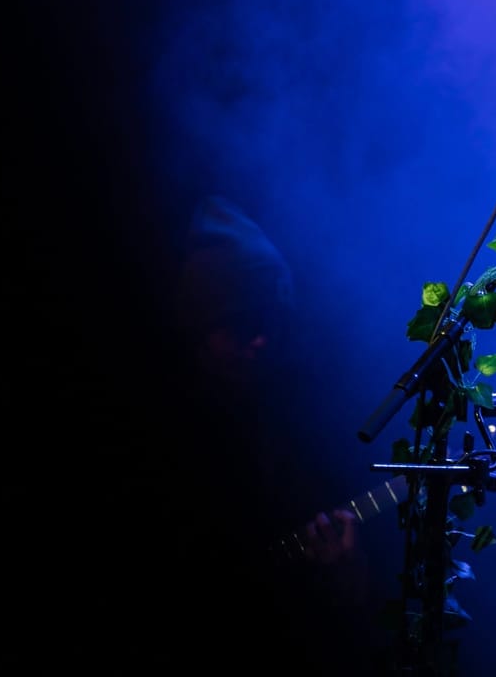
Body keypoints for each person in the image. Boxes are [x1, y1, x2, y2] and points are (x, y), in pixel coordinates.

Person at [161, 194, 376, 671]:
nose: (259, 340)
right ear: (197, 325)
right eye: (240, 324)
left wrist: (345, 585)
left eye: (268, 322)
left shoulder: (293, 424)